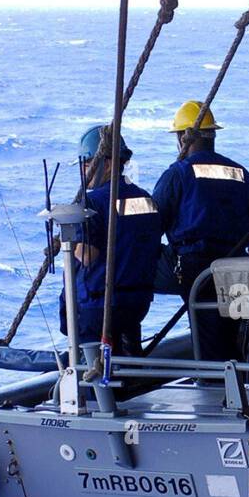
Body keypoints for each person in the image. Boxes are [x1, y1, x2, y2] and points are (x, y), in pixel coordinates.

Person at [152, 100, 249, 358]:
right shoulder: (239, 173)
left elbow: (150, 227)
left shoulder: (178, 174)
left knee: (134, 267)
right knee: (227, 332)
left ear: (182, 138)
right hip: (236, 267)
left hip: (193, 269)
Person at [60, 124, 162, 356]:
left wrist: (69, 237)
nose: (84, 171)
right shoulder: (146, 199)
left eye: (88, 164)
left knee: (95, 373)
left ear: (106, 164)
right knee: (128, 366)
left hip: (99, 308)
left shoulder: (93, 202)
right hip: (136, 304)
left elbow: (86, 256)